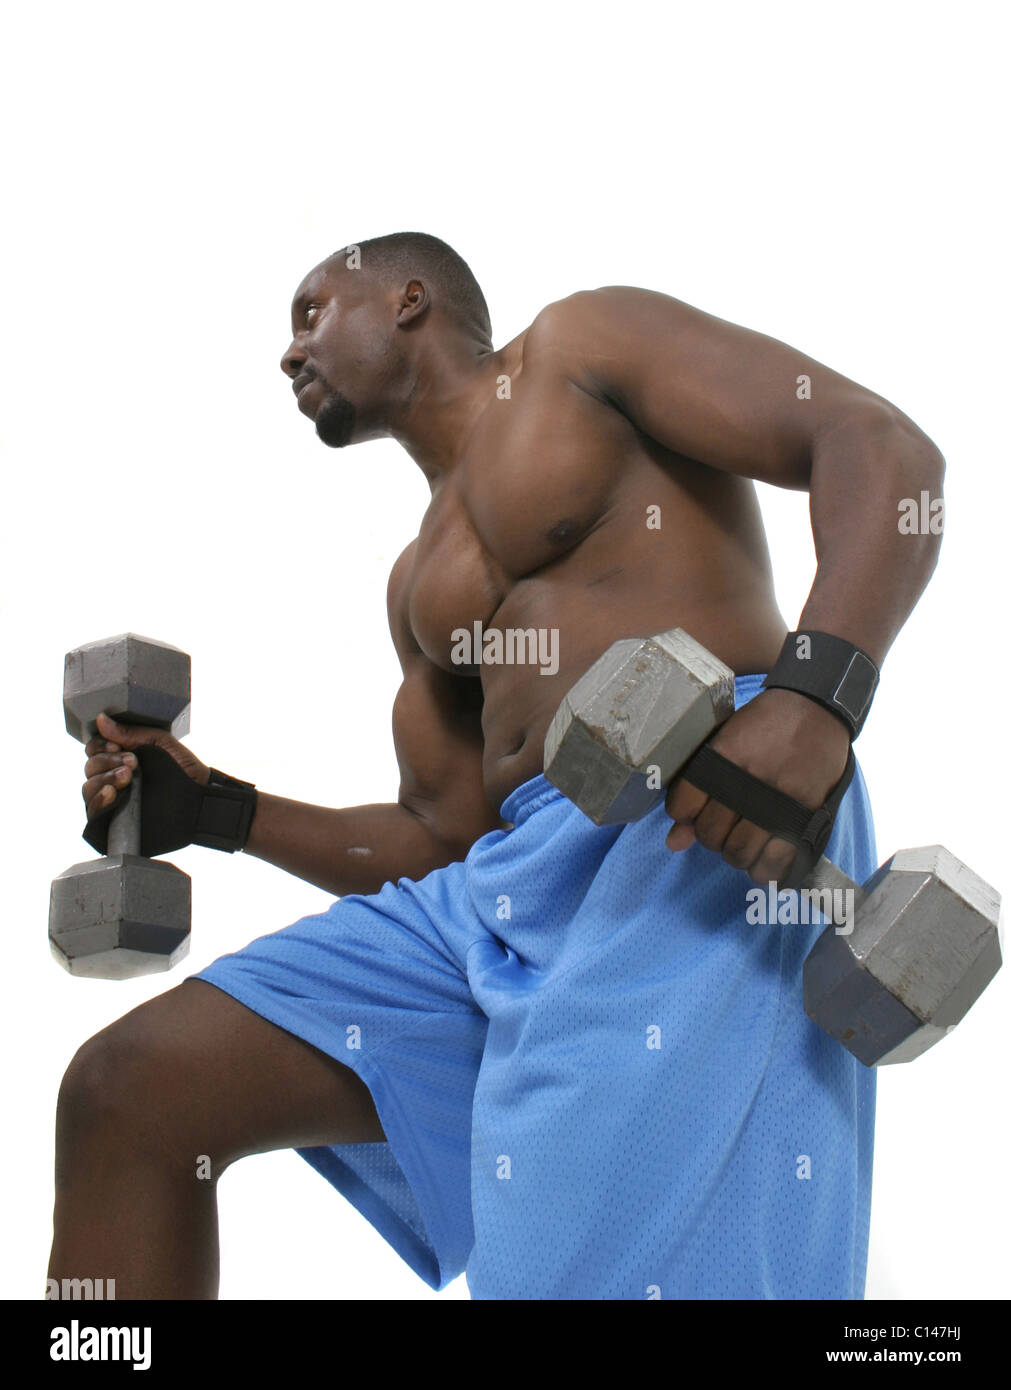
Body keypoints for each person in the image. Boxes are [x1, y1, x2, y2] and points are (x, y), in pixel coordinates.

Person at [48, 232, 944, 1300]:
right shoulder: (416, 583)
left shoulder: (584, 345)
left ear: (409, 298)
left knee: (579, 1272)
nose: (288, 354)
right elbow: (438, 841)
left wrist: (813, 697)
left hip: (701, 832)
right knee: (132, 1092)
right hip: (505, 893)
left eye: (310, 312)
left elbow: (878, 444)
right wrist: (216, 809)